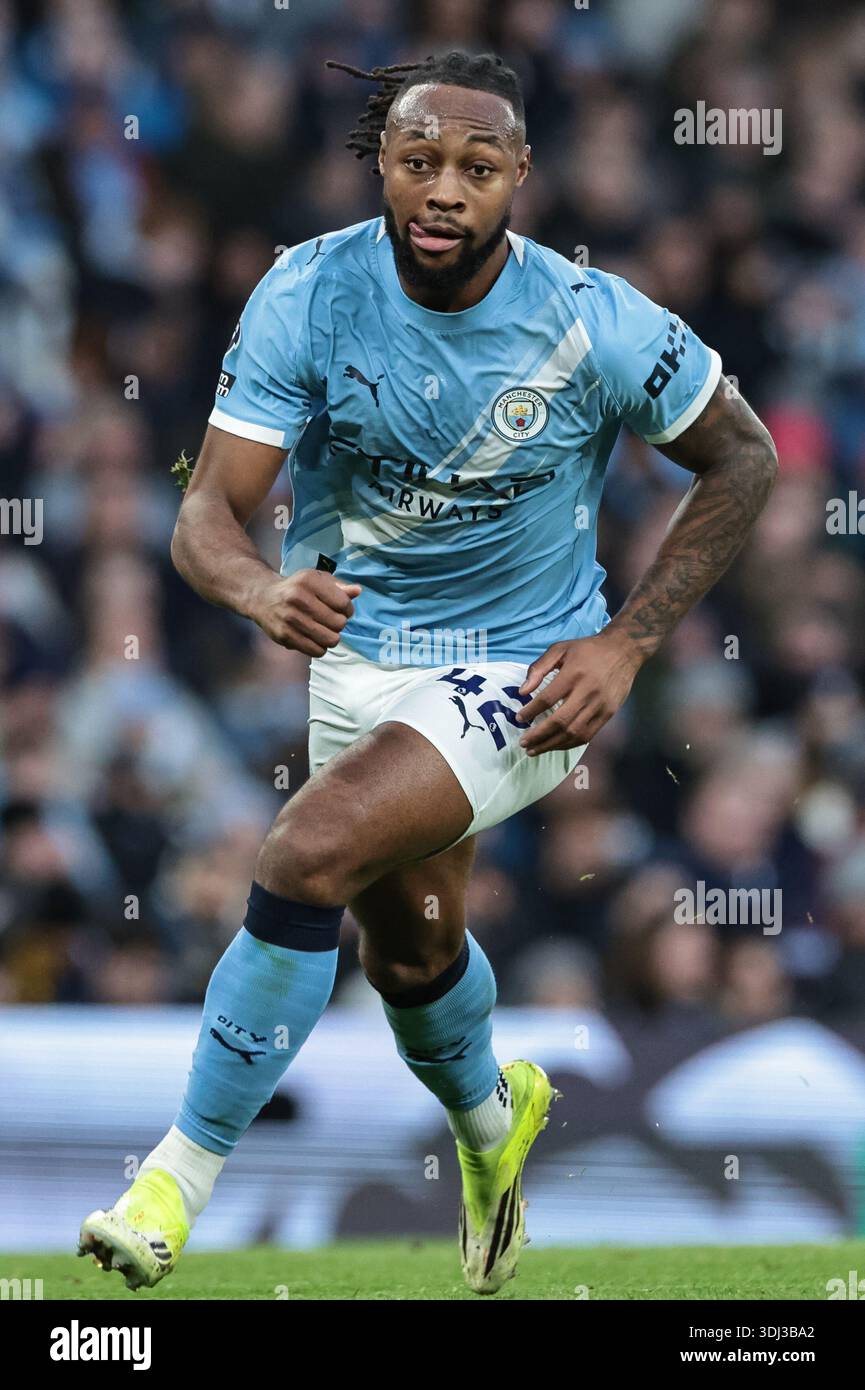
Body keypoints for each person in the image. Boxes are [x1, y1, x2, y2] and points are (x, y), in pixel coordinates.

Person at [78, 50, 777, 1295]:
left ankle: (172, 1179)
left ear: (518, 175)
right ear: (382, 166)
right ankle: (488, 1123)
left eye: (476, 165)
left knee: (303, 850)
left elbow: (746, 459)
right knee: (410, 953)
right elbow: (206, 520)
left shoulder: (590, 317)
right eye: (418, 161)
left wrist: (626, 642)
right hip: (358, 667)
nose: (443, 188)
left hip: (524, 673)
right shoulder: (306, 292)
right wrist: (259, 587)